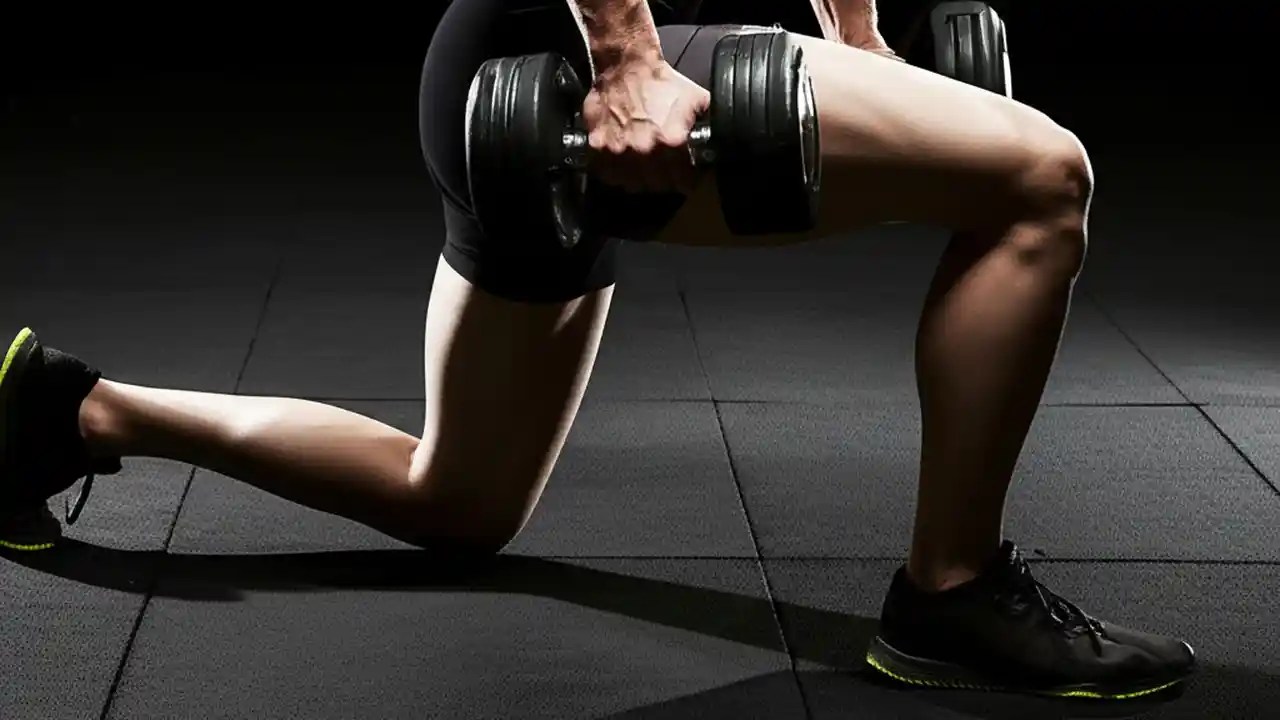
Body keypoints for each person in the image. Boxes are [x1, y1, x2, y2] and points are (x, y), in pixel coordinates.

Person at [0, 0, 1195, 700]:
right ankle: (949, 593)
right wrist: (624, 59)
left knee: (458, 500)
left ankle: (70, 411)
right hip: (576, 74)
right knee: (1042, 176)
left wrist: (858, 32)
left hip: (495, 70)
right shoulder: (610, 73)